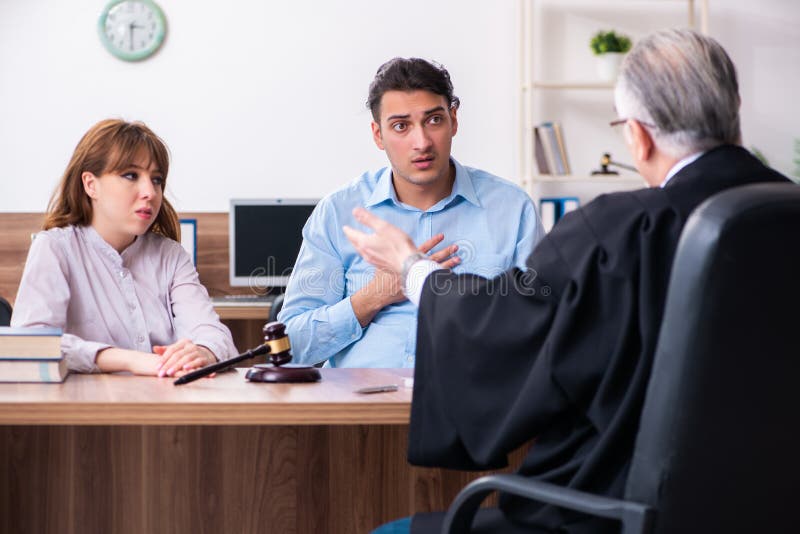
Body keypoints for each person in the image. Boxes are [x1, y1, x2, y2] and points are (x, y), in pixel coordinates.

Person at [344, 29, 793, 533]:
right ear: (734, 109)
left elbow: (503, 328)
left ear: (637, 136)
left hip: (620, 513)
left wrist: (411, 269)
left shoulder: (617, 232)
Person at [278, 57, 544, 368]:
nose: (421, 142)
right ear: (378, 135)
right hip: (362, 409)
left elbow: (542, 327)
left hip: (472, 406)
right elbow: (289, 347)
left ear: (453, 120)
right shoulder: (339, 212)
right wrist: (373, 296)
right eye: (401, 126)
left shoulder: (512, 209)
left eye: (433, 120)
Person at [12, 119, 238, 378]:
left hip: (166, 405)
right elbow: (33, 344)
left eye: (156, 180)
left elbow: (213, 334)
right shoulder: (54, 248)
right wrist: (129, 360)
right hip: (83, 411)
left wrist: (204, 352)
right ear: (90, 184)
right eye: (131, 175)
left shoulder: (171, 255)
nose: (150, 192)